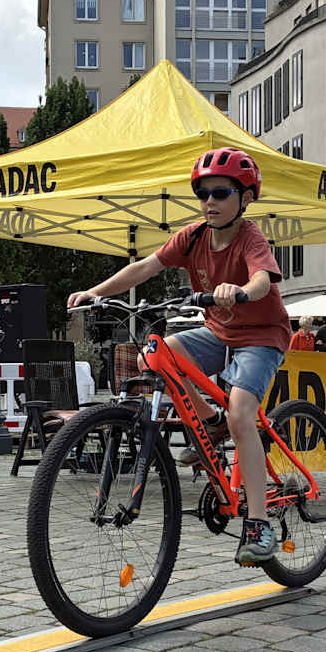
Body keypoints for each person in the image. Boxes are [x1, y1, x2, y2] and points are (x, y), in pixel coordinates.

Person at [67, 147, 290, 566]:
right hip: (218, 330)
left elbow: (263, 279)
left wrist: (239, 291)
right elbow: (145, 267)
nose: (210, 201)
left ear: (245, 197)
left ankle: (259, 523)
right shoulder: (192, 237)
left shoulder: (250, 237)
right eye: (202, 192)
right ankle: (209, 421)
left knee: (242, 414)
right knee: (153, 357)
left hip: (261, 334)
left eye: (221, 192)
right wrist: (97, 291)